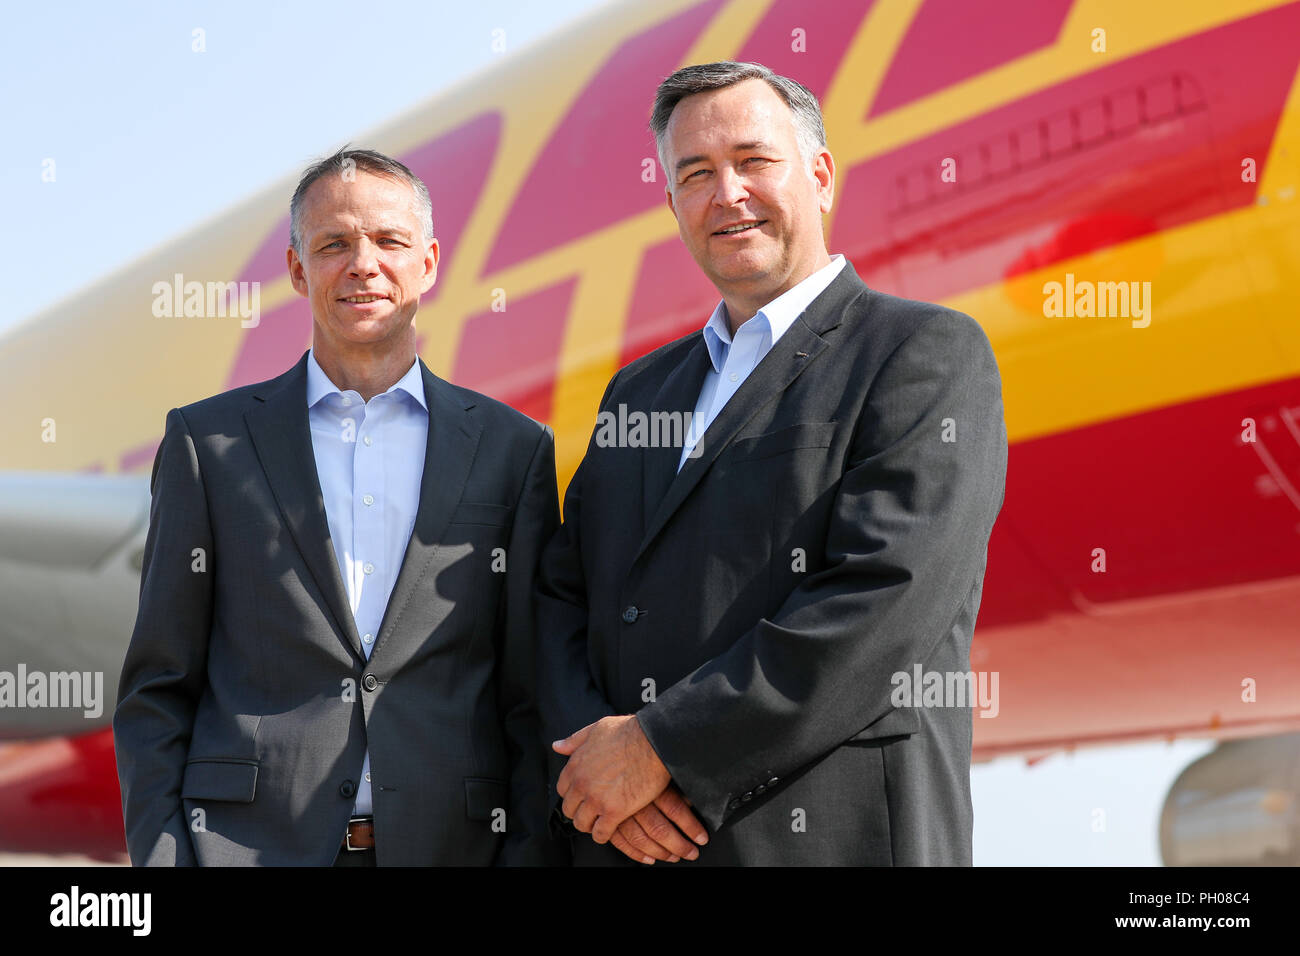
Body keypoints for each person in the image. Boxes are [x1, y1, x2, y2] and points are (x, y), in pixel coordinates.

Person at [536, 62, 1008, 865]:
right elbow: (560, 595)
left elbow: (883, 601)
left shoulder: (921, 353)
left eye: (755, 161)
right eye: (695, 174)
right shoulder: (639, 391)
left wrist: (661, 749)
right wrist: (598, 775)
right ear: (673, 205)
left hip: (829, 837)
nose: (727, 193)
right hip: (627, 843)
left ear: (820, 177)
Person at [114, 147, 564, 866]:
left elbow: (530, 693)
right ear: (297, 270)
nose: (363, 264)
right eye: (334, 245)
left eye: (389, 241)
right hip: (249, 851)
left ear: (429, 262)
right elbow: (159, 690)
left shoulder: (513, 451)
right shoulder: (209, 443)